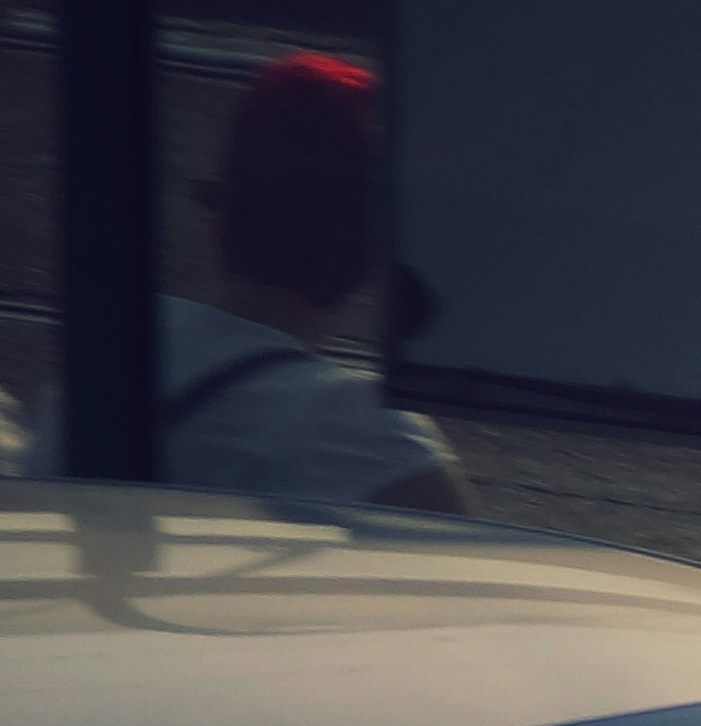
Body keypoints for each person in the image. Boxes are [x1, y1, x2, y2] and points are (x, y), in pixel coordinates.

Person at [23, 51, 469, 513]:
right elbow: (477, 575)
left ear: (226, 203)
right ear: (374, 244)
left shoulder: (111, 351)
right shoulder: (364, 430)